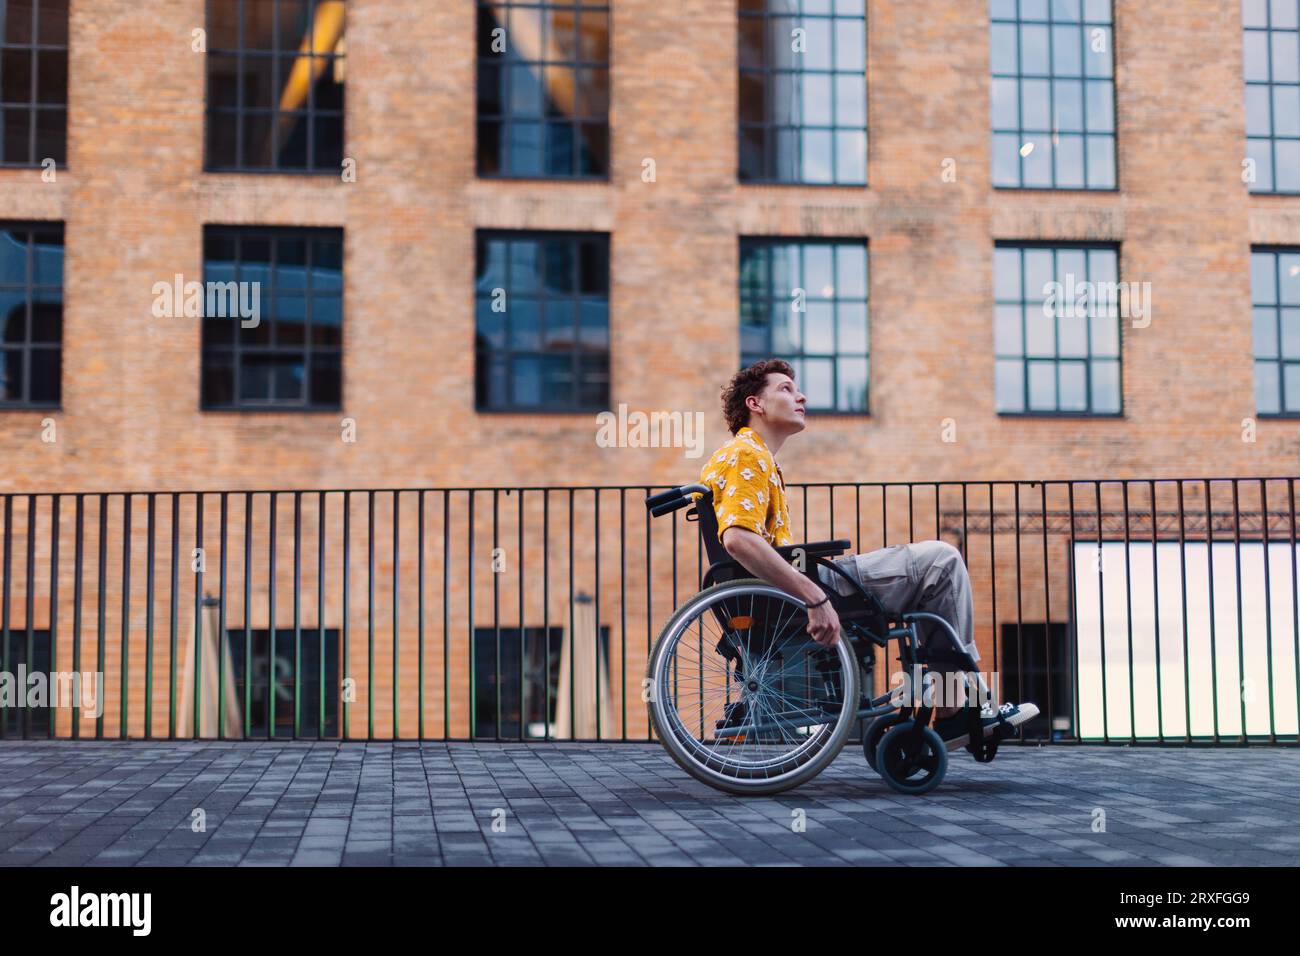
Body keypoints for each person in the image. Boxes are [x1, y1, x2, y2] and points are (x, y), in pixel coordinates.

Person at [696, 358, 1038, 750]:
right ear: (755, 404)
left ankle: (952, 704)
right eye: (785, 389)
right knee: (941, 561)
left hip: (787, 588)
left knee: (935, 571)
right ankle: (954, 708)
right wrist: (815, 597)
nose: (801, 395)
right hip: (801, 589)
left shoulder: (756, 457)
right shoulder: (746, 454)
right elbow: (738, 539)